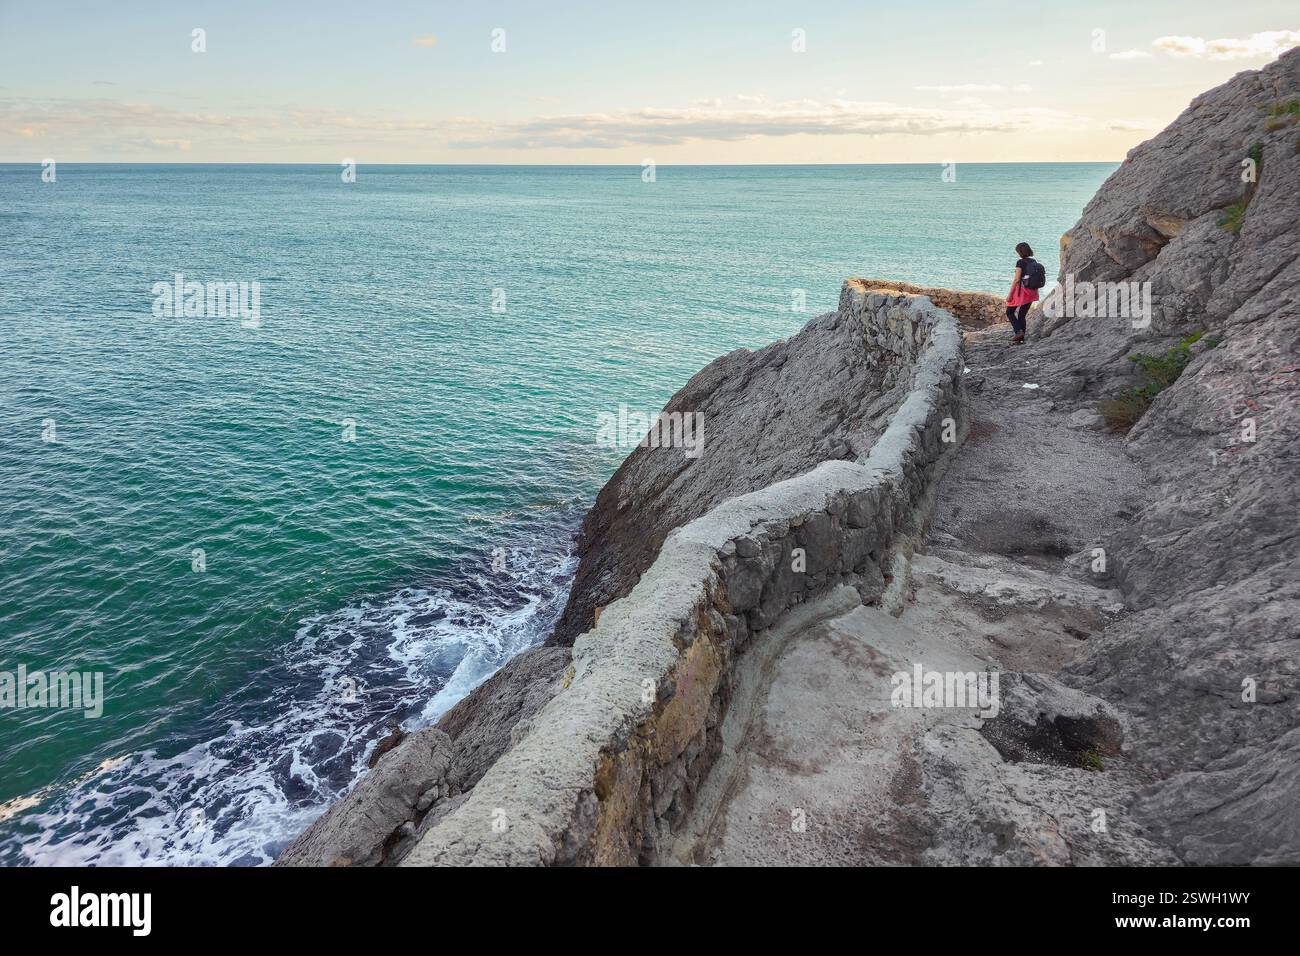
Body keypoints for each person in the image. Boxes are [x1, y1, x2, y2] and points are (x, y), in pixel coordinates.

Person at [1005, 242, 1041, 344]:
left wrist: (1010, 294)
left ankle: (1018, 332)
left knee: (1009, 312)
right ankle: (1021, 338)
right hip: (1032, 291)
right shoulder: (1033, 261)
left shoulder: (1020, 263)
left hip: (1021, 291)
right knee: (1022, 315)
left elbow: (1017, 279)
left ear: (1019, 252)